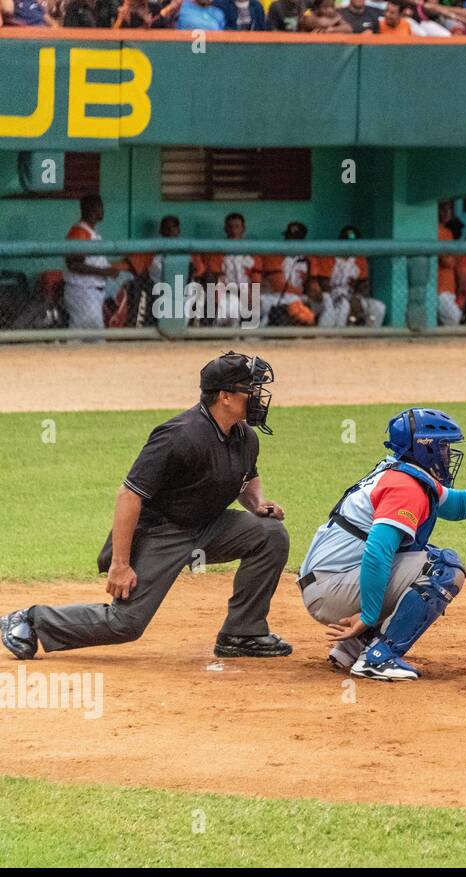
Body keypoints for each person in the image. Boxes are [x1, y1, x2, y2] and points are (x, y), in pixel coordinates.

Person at [2, 354, 292, 663]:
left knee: (270, 533)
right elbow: (129, 495)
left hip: (210, 528)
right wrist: (120, 563)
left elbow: (247, 479)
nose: (258, 396)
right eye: (250, 388)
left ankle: (242, 632)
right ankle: (30, 620)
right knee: (125, 623)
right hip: (162, 533)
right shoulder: (179, 435)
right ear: (224, 396)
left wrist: (258, 503)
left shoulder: (244, 437)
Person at [300, 408, 466, 680]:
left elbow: (460, 505)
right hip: (332, 589)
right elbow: (377, 553)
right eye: (444, 446)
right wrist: (368, 614)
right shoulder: (406, 487)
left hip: (327, 582)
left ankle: (353, 647)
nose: (448, 454)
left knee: (424, 557)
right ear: (425, 447)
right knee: (441, 568)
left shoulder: (402, 471)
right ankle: (378, 658)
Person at [63, 194, 126, 333]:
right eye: (101, 207)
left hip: (91, 292)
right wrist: (105, 272)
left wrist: (114, 267)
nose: (103, 210)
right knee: (94, 339)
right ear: (93, 208)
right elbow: (73, 264)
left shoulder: (90, 232)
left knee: (80, 339)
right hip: (82, 292)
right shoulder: (80, 232)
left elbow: (95, 261)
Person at [310, 225, 387, 327]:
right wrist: (348, 299)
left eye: (354, 243)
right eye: (347, 242)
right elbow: (324, 284)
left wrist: (357, 296)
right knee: (343, 306)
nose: (350, 246)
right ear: (340, 241)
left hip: (351, 296)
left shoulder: (360, 260)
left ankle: (368, 337)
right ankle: (337, 338)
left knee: (379, 307)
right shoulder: (329, 257)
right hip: (330, 296)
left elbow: (364, 284)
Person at [259, 221, 310, 325]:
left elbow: (311, 284)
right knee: (272, 308)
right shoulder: (274, 255)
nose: (290, 241)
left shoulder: (307, 259)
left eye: (295, 239)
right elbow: (278, 285)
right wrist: (299, 291)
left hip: (297, 297)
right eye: (289, 237)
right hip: (272, 296)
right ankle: (256, 337)